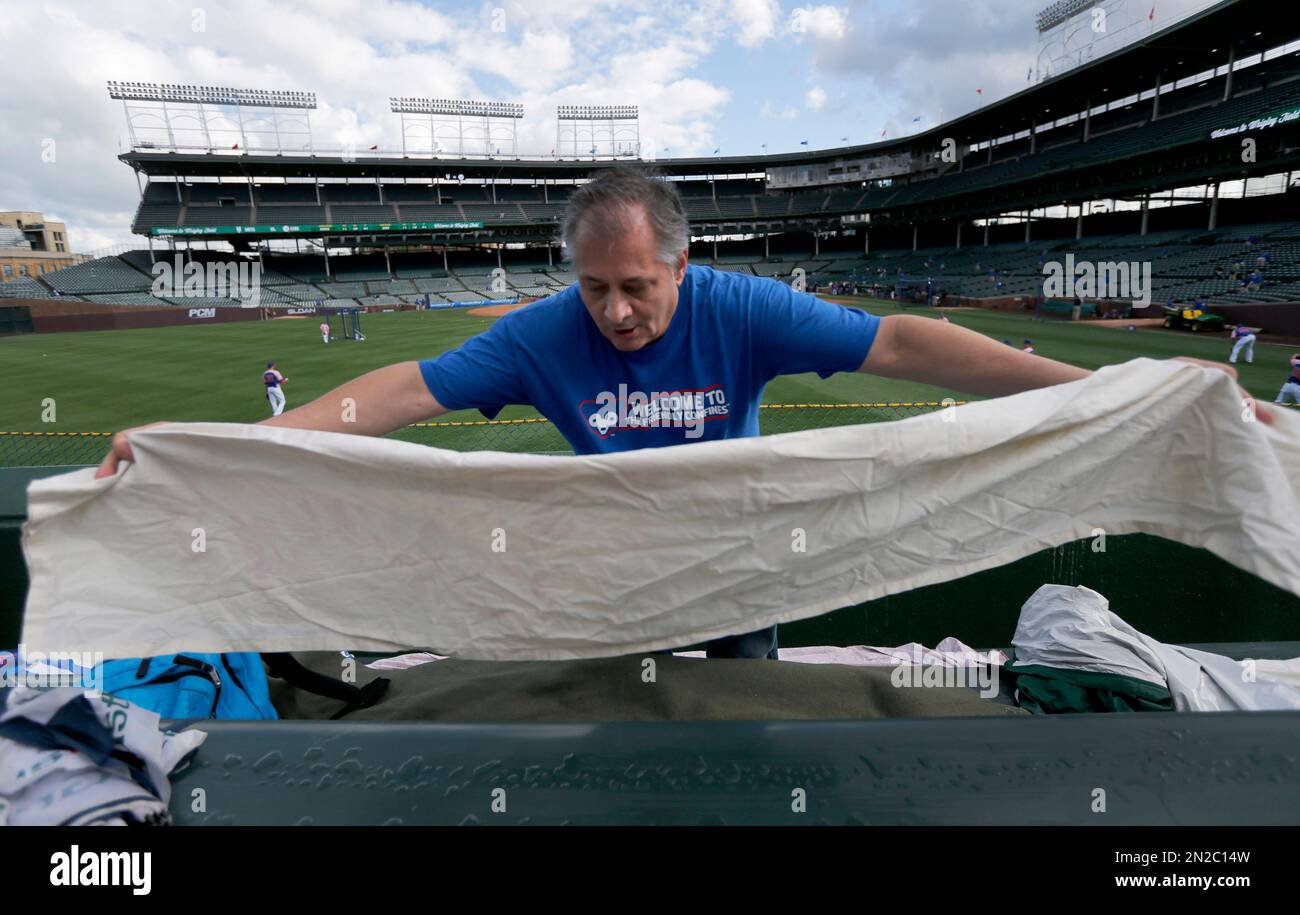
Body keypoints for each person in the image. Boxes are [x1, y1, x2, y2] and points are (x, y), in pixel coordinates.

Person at [96, 168, 1275, 658]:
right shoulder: (538, 333)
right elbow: (395, 392)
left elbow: (908, 344)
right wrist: (235, 450)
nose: (614, 314)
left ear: (683, 263)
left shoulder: (741, 307)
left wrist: (1106, 389)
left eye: (637, 289)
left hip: (748, 564)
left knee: (738, 705)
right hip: (604, 570)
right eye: (596, 289)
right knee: (618, 725)